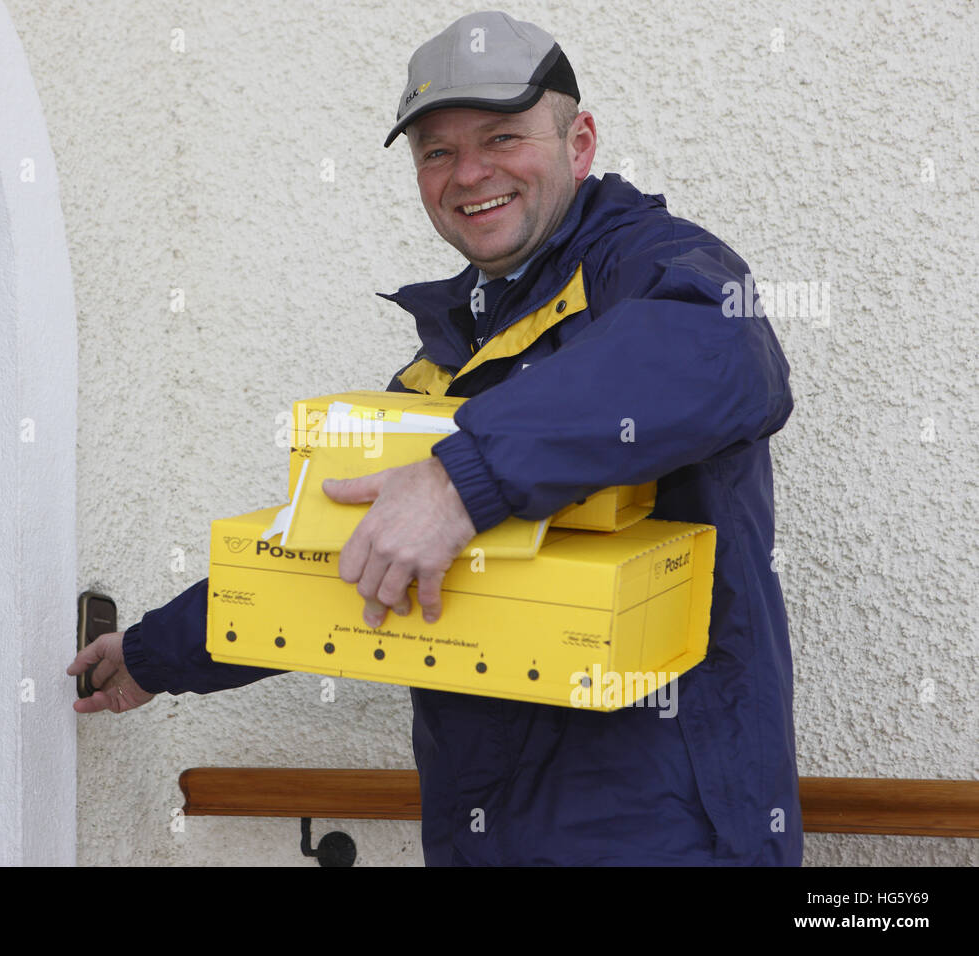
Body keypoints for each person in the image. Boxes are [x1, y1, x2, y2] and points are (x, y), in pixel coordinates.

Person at [69, 10, 802, 866]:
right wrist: (156, 654)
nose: (470, 173)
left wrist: (461, 479)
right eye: (437, 152)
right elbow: (345, 551)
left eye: (502, 136)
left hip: (671, 832)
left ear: (580, 142)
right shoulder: (444, 357)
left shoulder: (652, 266)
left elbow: (724, 356)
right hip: (479, 830)